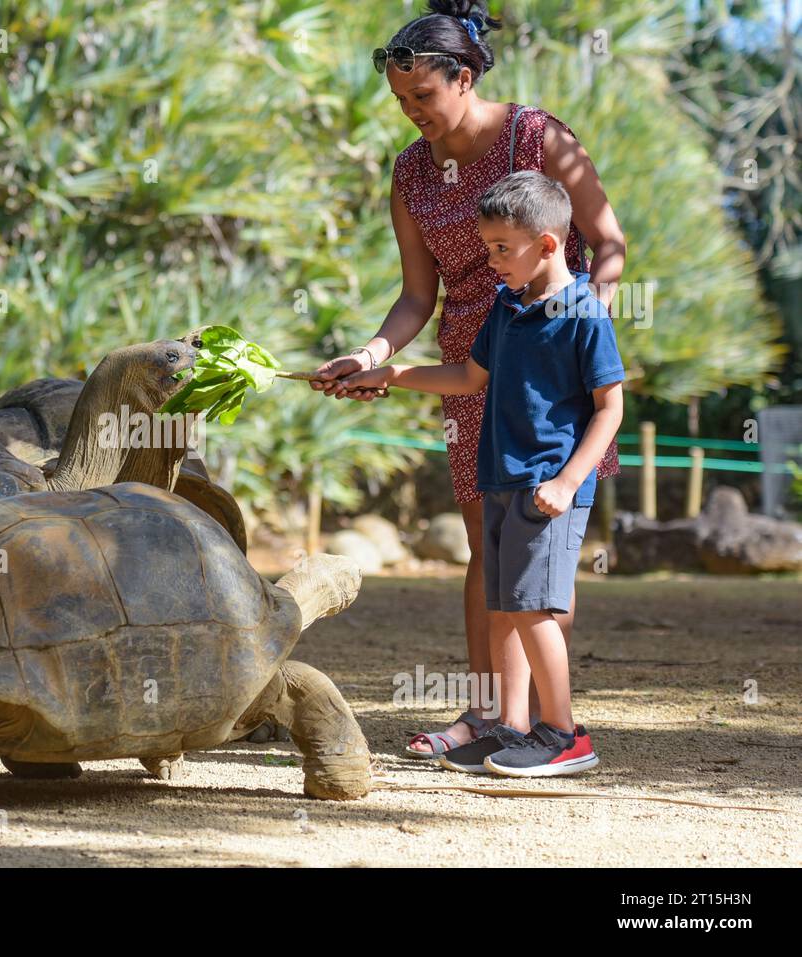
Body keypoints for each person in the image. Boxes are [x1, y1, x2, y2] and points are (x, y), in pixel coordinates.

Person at [310, 0, 627, 758]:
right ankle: (492, 717)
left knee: (538, 545)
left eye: (423, 95)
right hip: (472, 363)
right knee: (488, 543)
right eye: (398, 99)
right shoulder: (410, 172)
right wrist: (373, 358)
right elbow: (418, 295)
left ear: (464, 75)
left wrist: (582, 321)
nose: (411, 112)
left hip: (552, 366)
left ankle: (545, 724)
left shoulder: (535, 137)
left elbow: (607, 241)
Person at [338, 171, 623, 775]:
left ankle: (564, 735)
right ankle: (508, 728)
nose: (489, 261)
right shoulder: (507, 305)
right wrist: (388, 375)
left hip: (549, 486)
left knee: (533, 607)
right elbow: (469, 378)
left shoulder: (584, 315)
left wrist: (568, 482)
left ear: (547, 245)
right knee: (502, 606)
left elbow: (610, 409)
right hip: (500, 477)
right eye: (486, 247)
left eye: (500, 249)